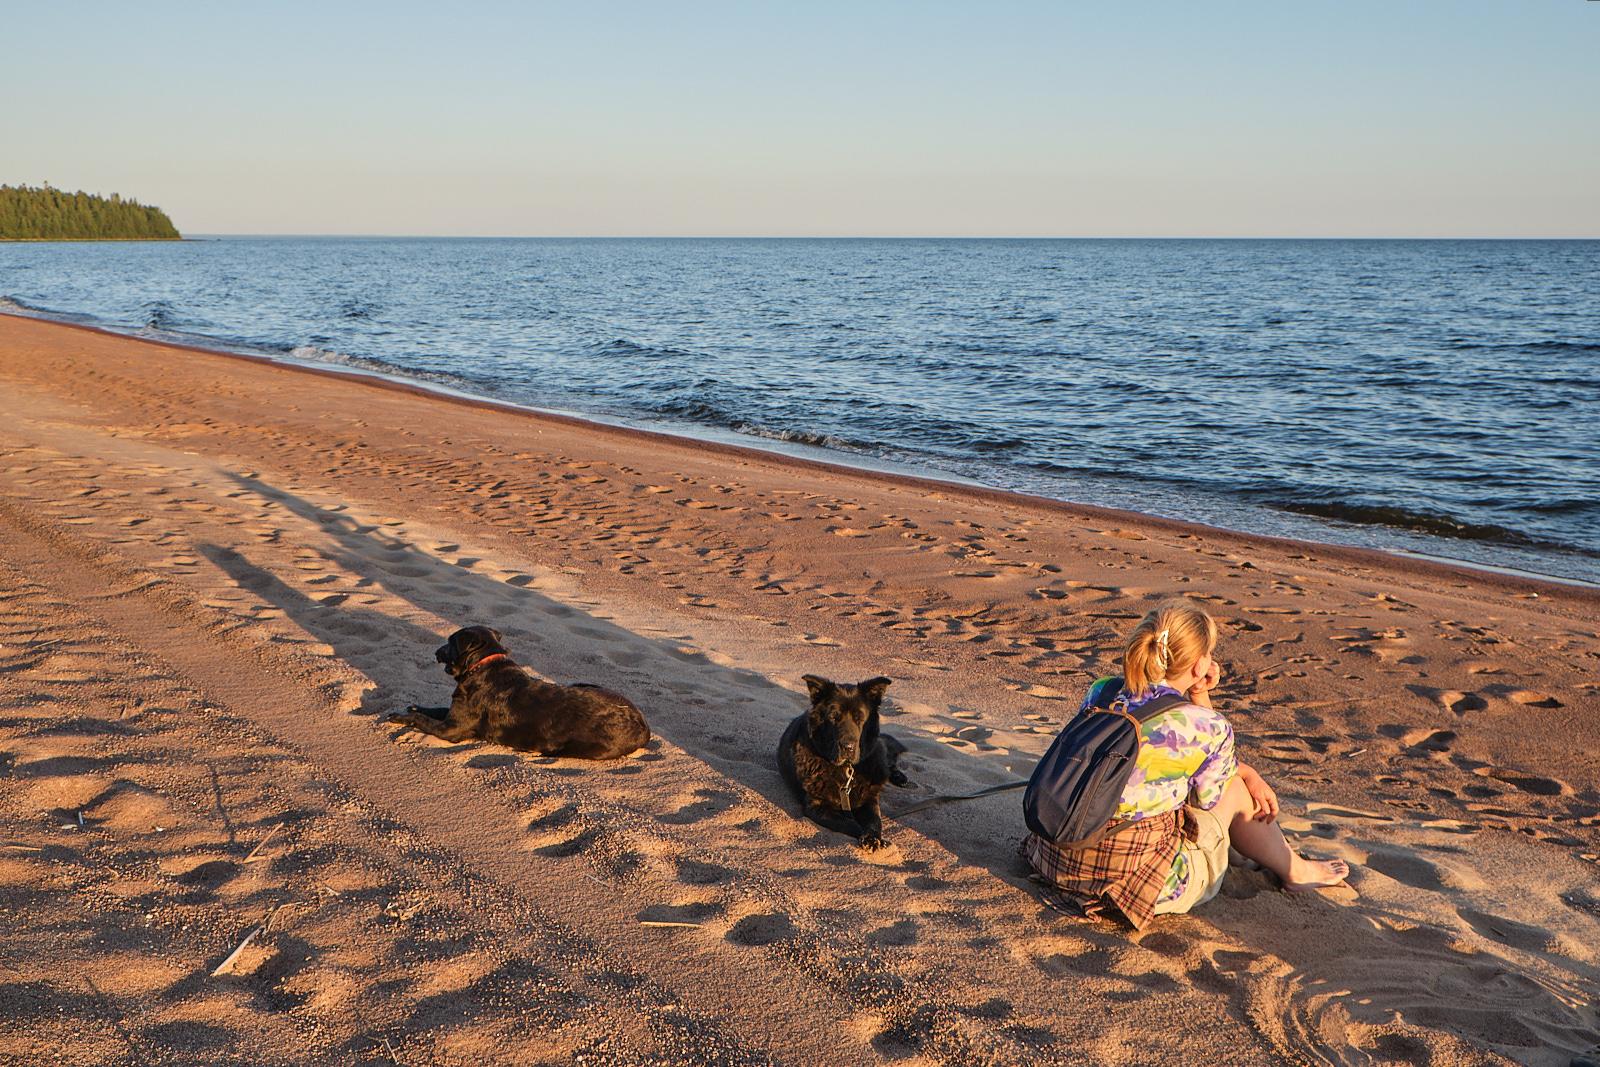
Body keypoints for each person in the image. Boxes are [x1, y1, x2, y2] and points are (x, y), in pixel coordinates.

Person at [1024, 598, 1350, 929]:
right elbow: (1210, 798)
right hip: (1129, 885)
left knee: (1213, 784)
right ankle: (1296, 871)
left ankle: (1259, 854)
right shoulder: (1203, 726)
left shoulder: (1102, 692)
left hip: (1055, 858)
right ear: (1197, 666)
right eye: (1208, 653)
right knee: (1236, 790)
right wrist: (1240, 761)